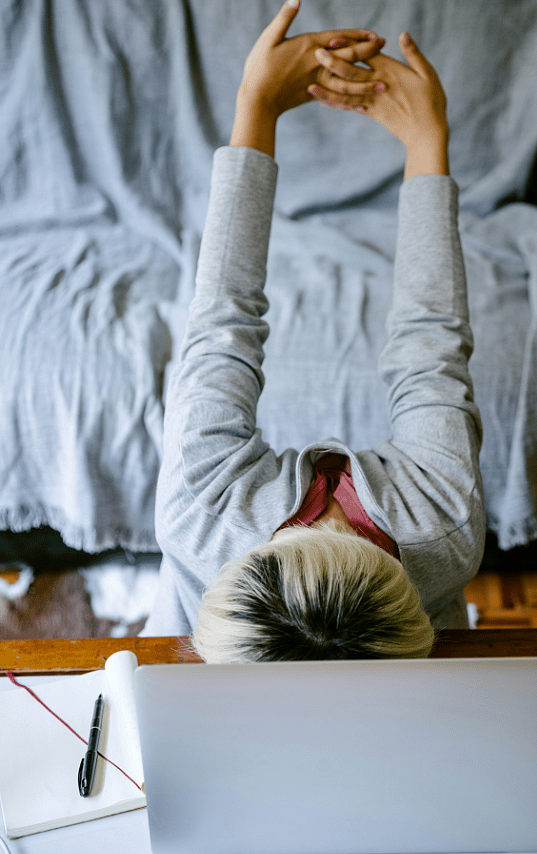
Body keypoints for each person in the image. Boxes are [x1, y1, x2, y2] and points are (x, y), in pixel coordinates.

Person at [141, 0, 485, 659]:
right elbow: (430, 345)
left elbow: (222, 324)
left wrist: (256, 110)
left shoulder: (203, 510)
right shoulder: (439, 520)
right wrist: (426, 144)